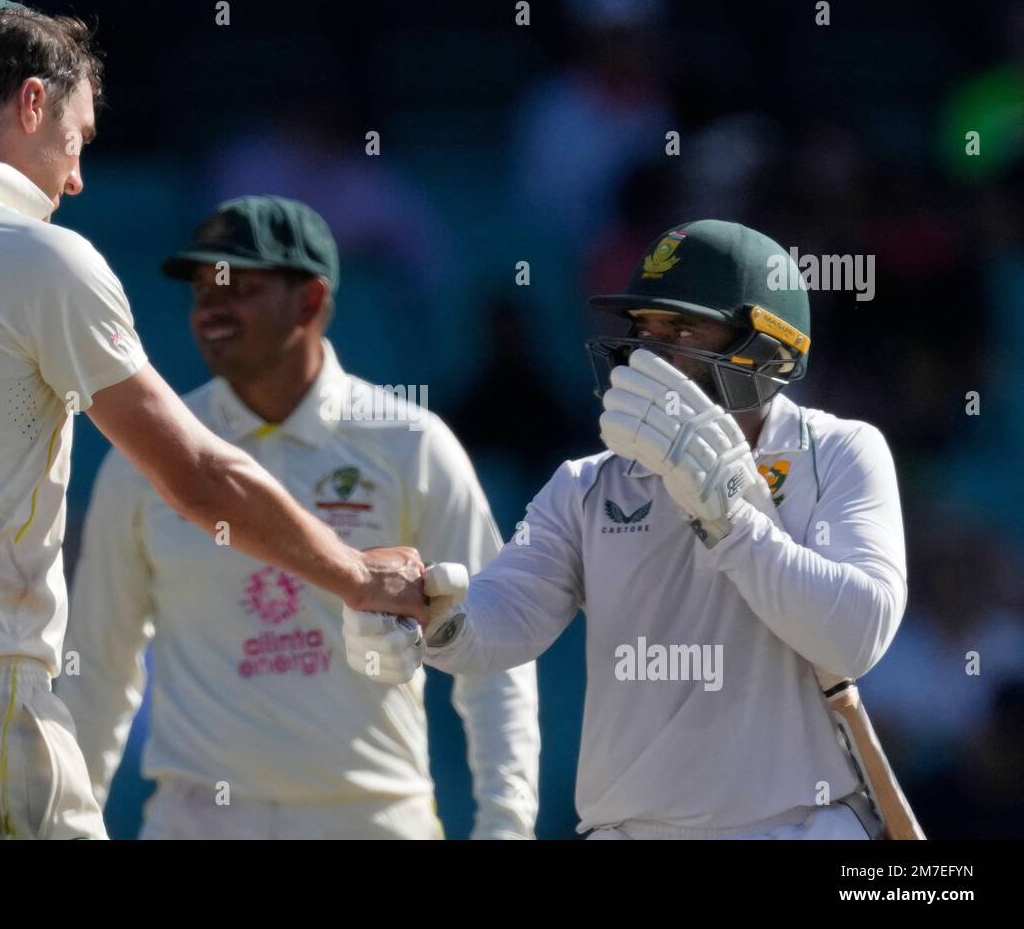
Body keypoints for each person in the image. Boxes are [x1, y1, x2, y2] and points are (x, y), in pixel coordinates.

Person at [0, 0, 425, 840]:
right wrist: (358, 575)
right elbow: (200, 478)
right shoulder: (39, 258)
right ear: (30, 103)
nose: (78, 176)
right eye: (75, 138)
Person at [349, 220, 907, 839]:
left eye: (682, 329)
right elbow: (506, 614)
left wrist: (727, 511)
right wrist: (432, 618)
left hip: (797, 825)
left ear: (761, 346)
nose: (648, 353)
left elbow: (854, 636)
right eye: (643, 329)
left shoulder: (838, 453)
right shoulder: (587, 484)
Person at [57, 196, 540, 839]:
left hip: (371, 819)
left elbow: (496, 650)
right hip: (198, 821)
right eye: (202, 288)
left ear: (310, 301)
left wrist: (506, 826)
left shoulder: (411, 445)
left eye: (241, 286)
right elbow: (100, 665)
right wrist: (67, 825)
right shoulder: (146, 459)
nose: (211, 308)